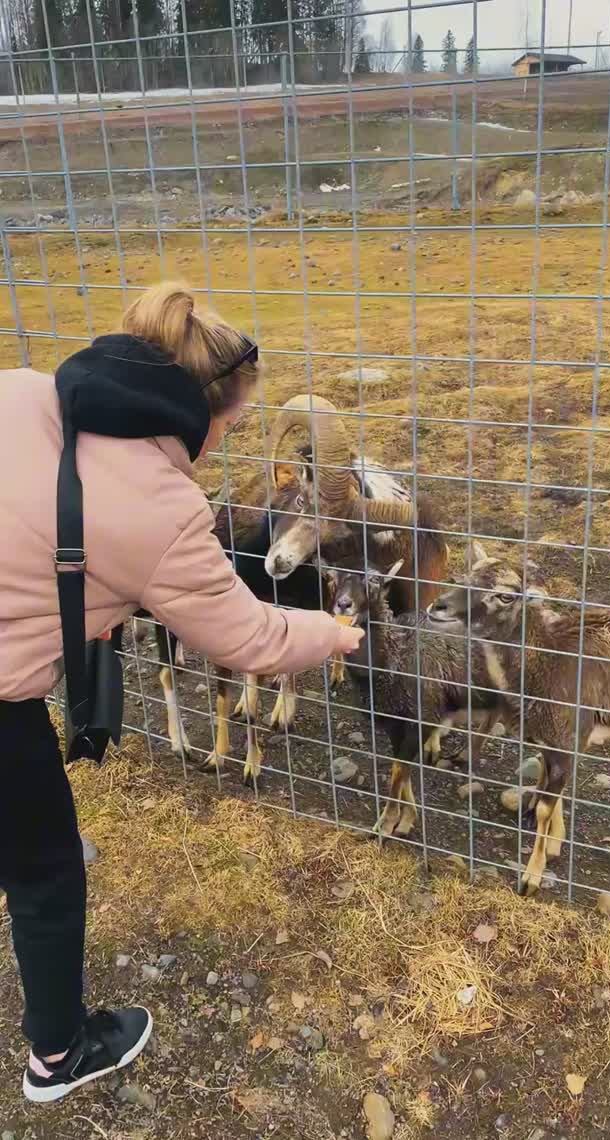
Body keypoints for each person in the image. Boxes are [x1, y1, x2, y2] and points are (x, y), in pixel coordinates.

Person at [0, 282, 363, 1103]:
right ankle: (59, 1058)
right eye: (232, 422)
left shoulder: (19, 389)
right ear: (199, 409)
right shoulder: (165, 511)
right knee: (46, 867)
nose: (225, 439)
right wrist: (340, 635)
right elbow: (254, 640)